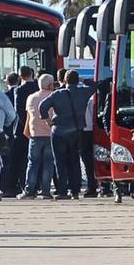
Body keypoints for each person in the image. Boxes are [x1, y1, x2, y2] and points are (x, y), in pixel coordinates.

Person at [49, 70, 90, 199]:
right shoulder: (83, 92)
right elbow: (95, 85)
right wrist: (84, 80)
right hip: (76, 131)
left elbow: (42, 106)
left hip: (59, 131)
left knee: (60, 162)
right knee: (75, 161)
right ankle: (75, 190)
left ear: (65, 81)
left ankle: (62, 191)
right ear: (77, 80)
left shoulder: (57, 94)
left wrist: (47, 121)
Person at [21, 73, 57, 197]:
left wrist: (26, 131)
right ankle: (46, 191)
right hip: (51, 134)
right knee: (48, 163)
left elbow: (28, 117)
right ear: (49, 84)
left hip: (35, 134)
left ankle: (29, 190)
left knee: (32, 163)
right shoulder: (54, 97)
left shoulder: (31, 98)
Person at [3, 68, 35, 196]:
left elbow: (19, 112)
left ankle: (13, 186)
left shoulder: (19, 90)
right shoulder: (38, 87)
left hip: (22, 130)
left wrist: (25, 128)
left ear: (20, 77)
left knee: (16, 159)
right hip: (38, 129)